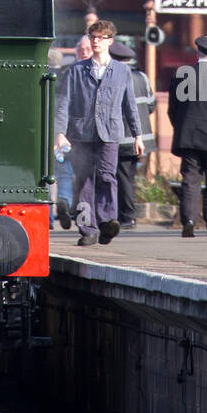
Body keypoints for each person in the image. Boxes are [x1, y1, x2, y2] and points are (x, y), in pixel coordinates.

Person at [55, 20, 143, 247]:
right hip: (81, 134)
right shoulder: (76, 70)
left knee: (106, 176)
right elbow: (63, 103)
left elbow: (130, 105)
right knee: (83, 181)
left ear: (110, 41)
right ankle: (87, 229)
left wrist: (138, 135)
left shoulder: (122, 71)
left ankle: (107, 222)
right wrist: (60, 133)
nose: (95, 41)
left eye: (100, 38)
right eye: (92, 37)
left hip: (109, 133)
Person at [169, 35, 207, 238]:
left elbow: (173, 109)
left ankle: (189, 220)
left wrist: (181, 127)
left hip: (189, 135)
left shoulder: (182, 74)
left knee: (190, 180)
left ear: (197, 52)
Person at [109, 42, 155, 228]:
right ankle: (126, 214)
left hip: (123, 138)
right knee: (129, 176)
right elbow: (151, 105)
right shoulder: (142, 77)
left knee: (123, 177)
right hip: (142, 138)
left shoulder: (114, 76)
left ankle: (127, 216)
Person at [47, 48, 74, 230]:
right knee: (64, 172)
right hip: (63, 133)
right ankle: (64, 200)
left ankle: (48, 216)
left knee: (45, 176)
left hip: (44, 134)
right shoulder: (66, 78)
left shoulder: (40, 76)